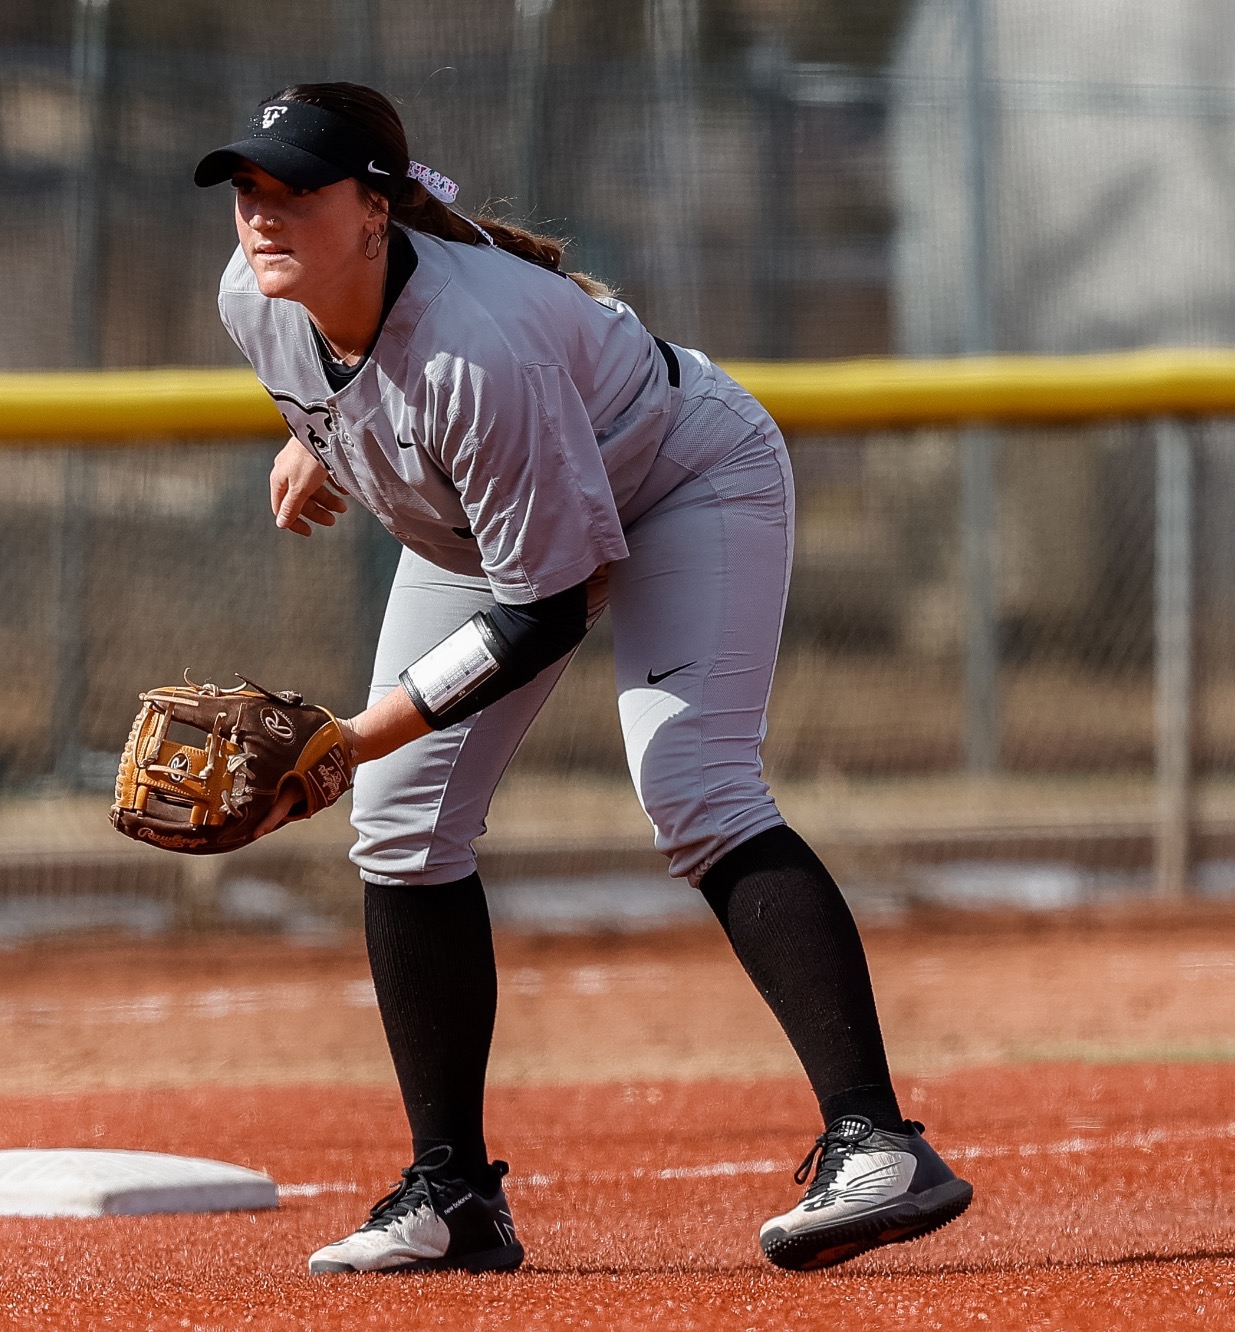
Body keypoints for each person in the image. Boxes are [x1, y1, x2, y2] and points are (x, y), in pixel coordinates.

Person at [193, 82, 973, 1276]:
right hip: (495, 523)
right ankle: (452, 1197)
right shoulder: (253, 297)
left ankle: (878, 1144)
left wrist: (351, 737)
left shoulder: (478, 349)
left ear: (374, 211)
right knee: (398, 830)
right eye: (247, 186)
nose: (261, 211)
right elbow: (364, 379)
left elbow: (544, 611)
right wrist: (315, 435)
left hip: (679, 479)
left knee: (695, 788)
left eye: (294, 187)